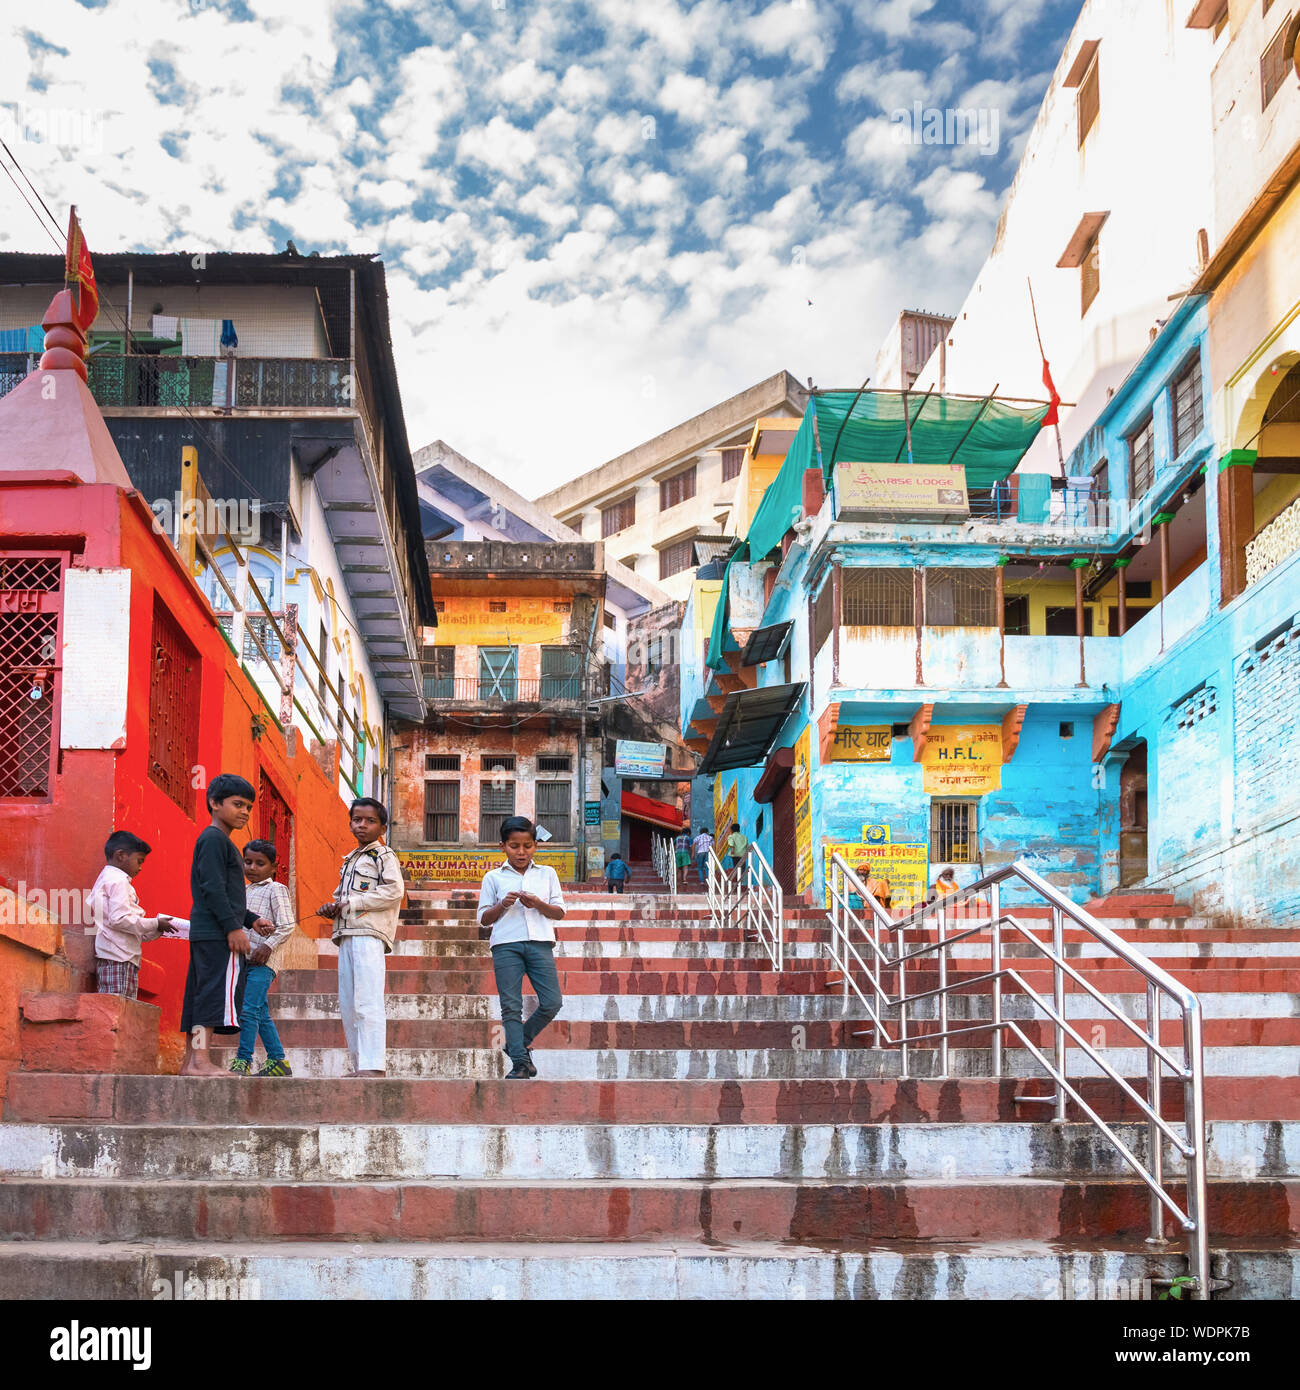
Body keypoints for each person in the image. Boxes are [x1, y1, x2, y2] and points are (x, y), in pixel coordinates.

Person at [181, 774, 274, 1078]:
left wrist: (250, 920)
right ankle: (200, 1061)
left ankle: (190, 1062)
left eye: (248, 806)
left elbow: (225, 894)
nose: (245, 811)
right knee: (210, 995)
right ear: (214, 803)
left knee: (200, 993)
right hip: (217, 934)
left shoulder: (219, 841)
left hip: (208, 931)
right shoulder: (213, 839)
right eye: (237, 804)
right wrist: (233, 928)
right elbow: (212, 888)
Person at [317, 798, 405, 1079]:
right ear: (350, 822)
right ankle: (359, 1066)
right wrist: (331, 907)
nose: (362, 825)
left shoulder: (384, 856)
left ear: (382, 826)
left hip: (369, 934)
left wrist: (352, 903)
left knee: (367, 1000)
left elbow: (394, 891)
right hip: (346, 935)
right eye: (357, 820)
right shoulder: (350, 860)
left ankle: (373, 1065)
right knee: (348, 1003)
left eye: (370, 821)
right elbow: (342, 898)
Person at [478, 815, 566, 1080]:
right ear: (502, 846)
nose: (521, 852)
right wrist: (502, 904)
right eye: (514, 845)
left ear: (535, 847)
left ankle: (516, 1042)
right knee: (511, 1005)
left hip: (540, 943)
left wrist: (538, 903)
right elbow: (484, 919)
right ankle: (519, 1062)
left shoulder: (547, 874)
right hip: (506, 945)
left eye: (527, 845)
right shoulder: (493, 877)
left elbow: (559, 912)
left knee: (552, 1002)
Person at [232, 839, 296, 1077]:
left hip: (264, 962)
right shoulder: (242, 892)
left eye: (260, 864)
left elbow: (287, 925)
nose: (252, 868)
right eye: (248, 862)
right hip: (243, 960)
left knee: (248, 1010)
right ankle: (278, 1061)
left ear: (273, 867)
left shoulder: (276, 889)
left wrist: (267, 947)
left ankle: (243, 1060)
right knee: (259, 1011)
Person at [90, 830, 179, 999]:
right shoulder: (118, 881)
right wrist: (155, 923)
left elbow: (129, 927)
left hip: (122, 955)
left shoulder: (111, 879)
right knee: (117, 1011)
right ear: (121, 855)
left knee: (125, 1012)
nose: (140, 867)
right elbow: (120, 920)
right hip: (117, 956)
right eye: (139, 861)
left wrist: (158, 929)